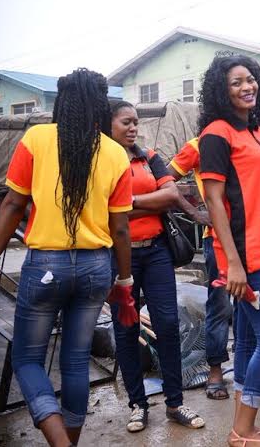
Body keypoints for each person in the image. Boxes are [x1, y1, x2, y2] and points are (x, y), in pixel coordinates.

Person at [0, 69, 137, 446]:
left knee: (27, 360)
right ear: (100, 105)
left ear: (62, 101)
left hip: (46, 266)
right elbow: (121, 228)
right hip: (97, 267)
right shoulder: (115, 153)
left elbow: (13, 204)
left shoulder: (37, 139)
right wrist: (125, 284)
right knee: (75, 360)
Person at [198, 55, 260, 446]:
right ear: (221, 91)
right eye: (236, 82)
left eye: (251, 79)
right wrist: (234, 265)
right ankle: (241, 430)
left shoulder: (254, 131)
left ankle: (244, 428)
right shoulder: (216, 134)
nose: (247, 86)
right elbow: (214, 201)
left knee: (251, 341)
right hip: (244, 257)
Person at [109, 101, 205, 433]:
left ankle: (175, 403)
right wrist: (150, 203)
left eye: (135, 122)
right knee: (126, 328)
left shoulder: (148, 157)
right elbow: (103, 209)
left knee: (167, 324)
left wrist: (126, 204)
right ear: (107, 125)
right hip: (118, 255)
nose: (133, 128)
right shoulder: (101, 161)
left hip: (157, 252)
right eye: (126, 122)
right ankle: (138, 405)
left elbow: (171, 194)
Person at [167, 139, 237, 400]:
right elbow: (165, 180)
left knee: (250, 303)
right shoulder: (198, 146)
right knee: (220, 305)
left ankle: (246, 364)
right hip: (217, 237)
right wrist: (195, 213)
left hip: (250, 234)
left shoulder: (248, 139)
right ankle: (215, 372)